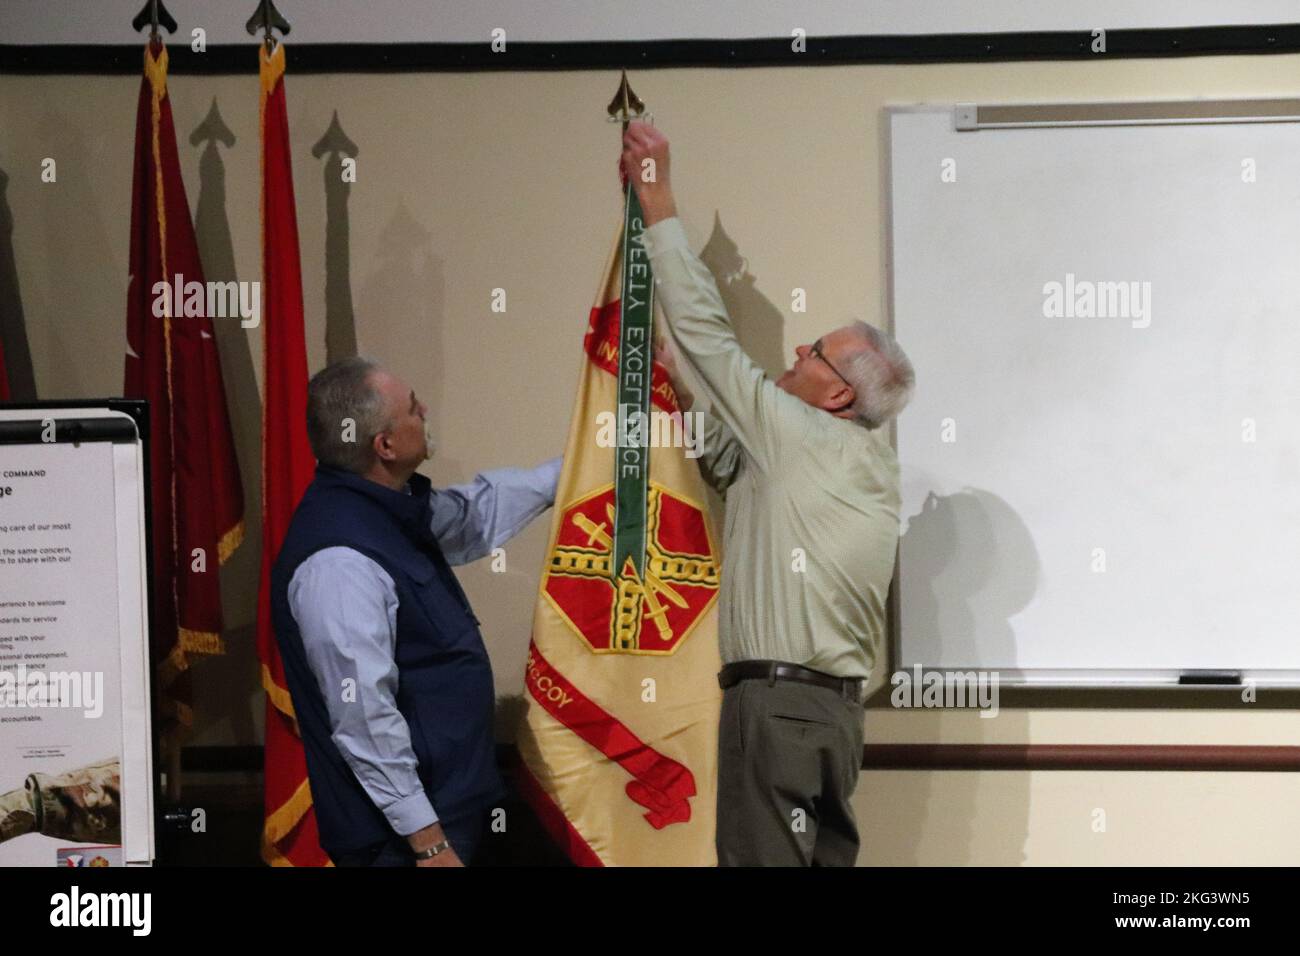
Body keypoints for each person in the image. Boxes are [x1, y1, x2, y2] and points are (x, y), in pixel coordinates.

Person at [621, 121, 915, 866]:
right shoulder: (861, 465)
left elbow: (707, 333)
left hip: (774, 708)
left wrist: (656, 198)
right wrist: (673, 389)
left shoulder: (797, 435)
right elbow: (727, 465)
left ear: (841, 395)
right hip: (836, 721)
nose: (796, 350)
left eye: (814, 351)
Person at [271, 356, 560, 867]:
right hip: (406, 842)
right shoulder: (339, 561)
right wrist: (429, 844)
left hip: (449, 810)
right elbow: (363, 717)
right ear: (384, 445)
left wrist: (587, 464)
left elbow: (475, 514)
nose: (424, 410)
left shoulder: (386, 508)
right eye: (411, 408)